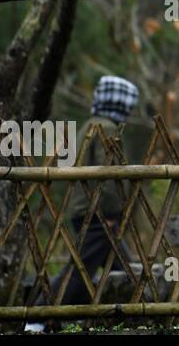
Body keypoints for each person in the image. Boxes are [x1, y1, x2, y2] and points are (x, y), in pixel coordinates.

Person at [51, 76, 141, 306]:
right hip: (98, 214)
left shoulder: (89, 124)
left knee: (122, 268)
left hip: (85, 209)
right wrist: (111, 214)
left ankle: (139, 311)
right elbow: (109, 176)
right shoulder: (107, 128)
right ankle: (39, 315)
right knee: (80, 270)